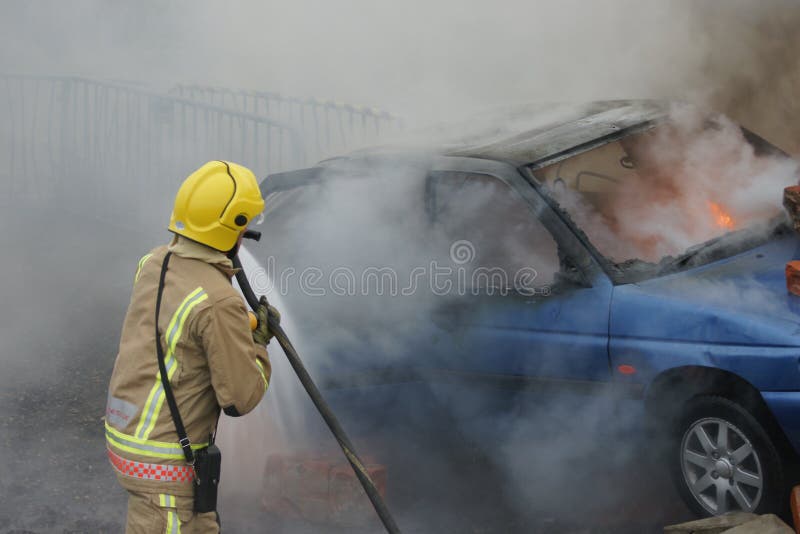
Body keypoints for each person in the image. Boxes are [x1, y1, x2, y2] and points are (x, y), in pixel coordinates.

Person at [105, 160, 277, 533]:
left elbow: (180, 331)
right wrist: (257, 343)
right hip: (164, 462)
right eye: (245, 224)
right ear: (234, 225)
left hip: (129, 434)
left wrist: (230, 329)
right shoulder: (218, 302)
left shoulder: (154, 262)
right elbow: (240, 398)